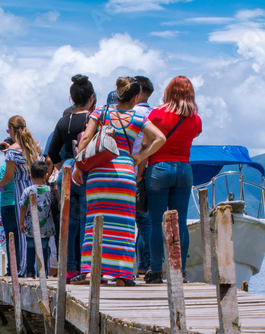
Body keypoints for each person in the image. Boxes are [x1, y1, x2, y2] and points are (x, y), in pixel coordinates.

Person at [72, 76, 165, 287]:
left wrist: (79, 164)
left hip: (99, 171)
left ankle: (91, 272)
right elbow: (160, 138)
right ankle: (123, 276)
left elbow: (85, 139)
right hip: (124, 172)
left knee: (95, 221)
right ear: (137, 97)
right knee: (123, 224)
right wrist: (140, 158)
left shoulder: (102, 112)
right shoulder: (139, 118)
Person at [144, 75, 202, 284]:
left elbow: (146, 142)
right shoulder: (195, 119)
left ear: (168, 92)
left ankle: (156, 271)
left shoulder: (157, 114)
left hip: (158, 168)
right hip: (184, 170)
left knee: (157, 222)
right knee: (181, 224)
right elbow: (193, 135)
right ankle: (181, 271)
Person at [0, 116, 42, 276]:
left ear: (12, 130)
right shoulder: (36, 147)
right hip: (35, 189)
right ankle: (36, 268)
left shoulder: (13, 151)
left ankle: (21, 269)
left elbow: (7, 177)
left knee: (21, 233)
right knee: (34, 230)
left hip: (21, 190)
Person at [47, 74, 95, 281]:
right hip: (87, 172)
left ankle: (68, 269)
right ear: (91, 97)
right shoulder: (94, 120)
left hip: (65, 174)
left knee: (68, 223)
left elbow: (52, 151)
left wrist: (64, 166)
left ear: (72, 97)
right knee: (87, 221)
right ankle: (86, 269)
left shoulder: (63, 121)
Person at [130, 75, 155, 277]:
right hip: (150, 169)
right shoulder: (155, 114)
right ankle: (145, 263)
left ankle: (143, 263)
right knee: (146, 220)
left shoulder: (131, 114)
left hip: (133, 168)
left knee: (139, 221)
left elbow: (143, 144)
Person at [18, 160, 56, 276]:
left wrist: (21, 222)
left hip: (30, 225)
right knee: (44, 249)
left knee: (30, 248)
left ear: (30, 176)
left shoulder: (27, 191)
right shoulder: (49, 191)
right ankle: (42, 272)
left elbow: (23, 207)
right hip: (46, 227)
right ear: (46, 176)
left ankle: (30, 272)